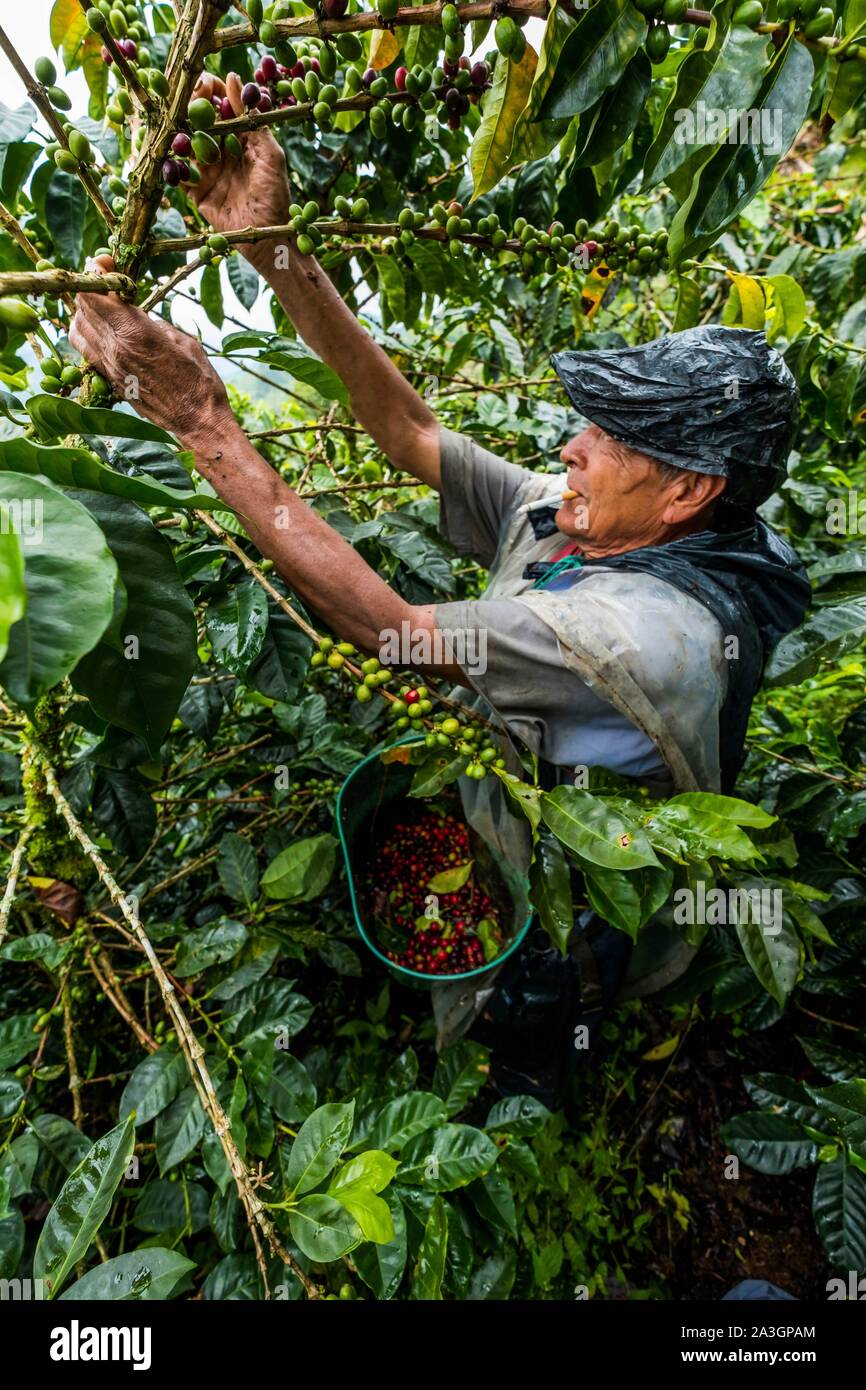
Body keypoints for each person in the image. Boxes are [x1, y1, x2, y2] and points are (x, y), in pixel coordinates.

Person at [70, 88, 811, 1097]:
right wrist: (271, 249)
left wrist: (203, 422)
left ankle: (530, 1089)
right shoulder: (605, 514)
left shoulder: (644, 632)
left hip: (572, 890)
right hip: (496, 806)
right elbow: (411, 434)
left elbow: (398, 632)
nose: (568, 450)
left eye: (607, 437)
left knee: (539, 1008)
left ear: (687, 490)